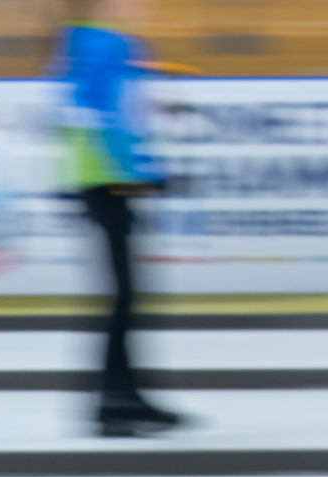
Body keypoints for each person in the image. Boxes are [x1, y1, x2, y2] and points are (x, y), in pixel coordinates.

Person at [50, 0, 190, 437]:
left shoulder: (82, 41)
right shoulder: (107, 43)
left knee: (125, 294)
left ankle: (126, 396)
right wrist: (144, 176)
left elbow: (99, 115)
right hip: (108, 179)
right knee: (125, 295)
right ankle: (113, 403)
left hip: (97, 179)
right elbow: (104, 118)